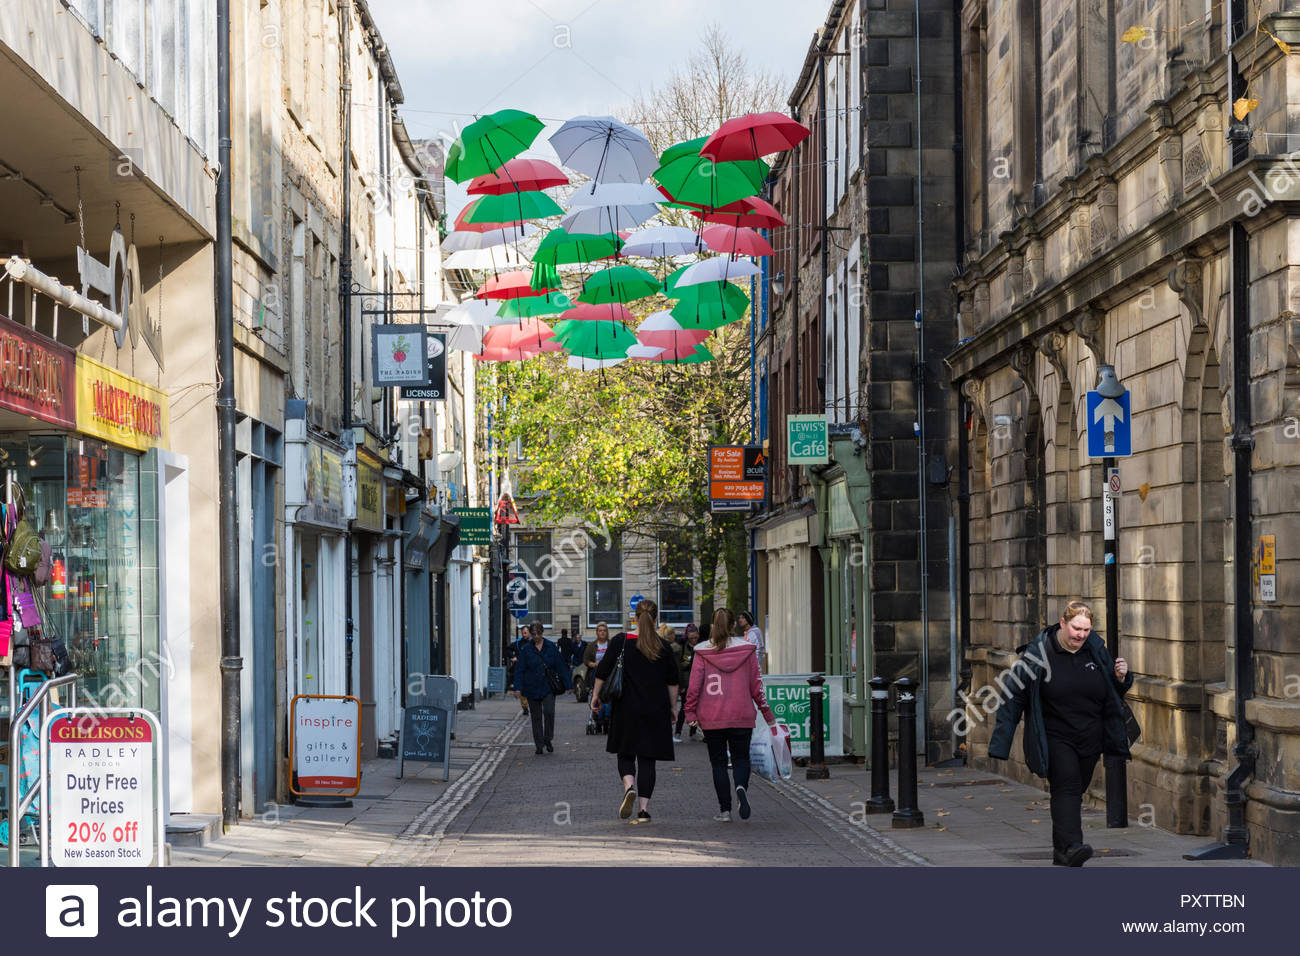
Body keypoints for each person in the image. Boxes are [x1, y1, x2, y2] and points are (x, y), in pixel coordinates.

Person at [988, 600, 1133, 867]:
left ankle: (1061, 852)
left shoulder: (1095, 650)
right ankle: (1073, 847)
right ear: (1063, 623)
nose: (1081, 635)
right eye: (1077, 628)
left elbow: (1112, 689)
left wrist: (1122, 677)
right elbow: (1012, 698)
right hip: (1055, 735)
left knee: (1075, 790)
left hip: (1091, 735)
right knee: (1065, 785)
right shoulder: (1037, 654)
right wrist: (1000, 744)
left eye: (1086, 630)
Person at [590, 599, 677, 824]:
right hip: (655, 709)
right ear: (656, 618)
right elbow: (673, 682)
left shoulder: (621, 641)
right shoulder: (663, 646)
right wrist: (674, 707)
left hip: (626, 708)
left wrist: (595, 696)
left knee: (625, 753)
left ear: (635, 617)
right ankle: (644, 810)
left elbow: (602, 671)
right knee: (648, 760)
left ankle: (629, 786)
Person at [685, 608, 776, 821]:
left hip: (712, 716)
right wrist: (768, 714)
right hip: (741, 714)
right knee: (741, 759)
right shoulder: (747, 650)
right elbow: (757, 687)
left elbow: (694, 686)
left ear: (714, 626)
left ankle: (725, 810)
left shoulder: (702, 652)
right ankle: (741, 787)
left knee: (718, 764)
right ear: (734, 625)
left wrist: (690, 712)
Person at [513, 621, 573, 754]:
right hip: (531, 687)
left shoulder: (551, 647)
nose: (536, 636)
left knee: (549, 712)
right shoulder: (527, 649)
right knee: (536, 717)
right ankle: (539, 745)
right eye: (533, 634)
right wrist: (517, 687)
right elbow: (520, 669)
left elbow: (561, 666)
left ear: (542, 632)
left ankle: (547, 738)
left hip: (547, 687)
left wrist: (569, 684)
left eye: (538, 633)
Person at [674, 623, 699, 740]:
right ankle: (678, 732)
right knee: (684, 709)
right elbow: (679, 667)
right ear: (687, 637)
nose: (694, 640)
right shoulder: (683, 648)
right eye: (691, 638)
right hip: (686, 683)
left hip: (698, 683)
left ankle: (693, 732)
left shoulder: (700, 647)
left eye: (695, 638)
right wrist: (681, 685)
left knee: (696, 709)